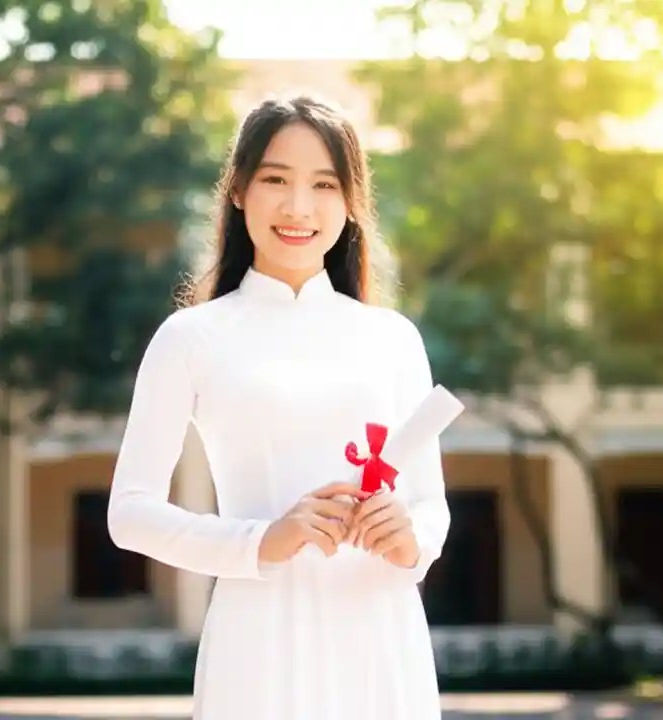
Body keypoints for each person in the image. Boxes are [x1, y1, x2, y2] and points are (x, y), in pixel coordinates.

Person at [107, 94, 450, 720]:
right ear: (238, 189)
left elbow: (431, 505)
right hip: (259, 640)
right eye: (275, 180)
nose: (298, 207)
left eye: (324, 184)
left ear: (350, 205)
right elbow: (129, 514)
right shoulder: (192, 337)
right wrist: (260, 540)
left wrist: (412, 539)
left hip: (380, 636)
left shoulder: (393, 337)